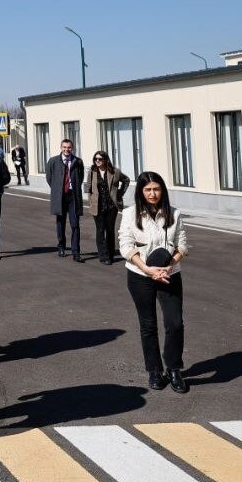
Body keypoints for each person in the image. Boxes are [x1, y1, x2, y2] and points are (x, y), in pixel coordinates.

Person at [119, 171, 190, 393]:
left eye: (156, 189)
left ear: (163, 190)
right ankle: (154, 370)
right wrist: (147, 269)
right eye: (148, 189)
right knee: (148, 325)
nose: (152, 194)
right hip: (141, 275)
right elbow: (126, 246)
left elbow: (182, 245)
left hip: (169, 274)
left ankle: (174, 369)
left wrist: (169, 267)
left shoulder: (174, 214)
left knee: (175, 323)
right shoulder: (130, 214)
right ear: (141, 191)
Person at [86, 150, 130, 265]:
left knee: (110, 230)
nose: (97, 161)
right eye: (96, 159)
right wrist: (91, 200)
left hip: (111, 206)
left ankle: (110, 255)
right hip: (97, 206)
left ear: (105, 160)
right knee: (100, 230)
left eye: (100, 159)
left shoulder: (114, 171)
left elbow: (126, 180)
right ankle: (103, 255)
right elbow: (89, 187)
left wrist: (119, 194)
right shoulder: (92, 172)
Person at [46, 139, 85, 261]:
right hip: (60, 196)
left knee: (75, 224)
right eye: (64, 147)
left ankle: (76, 252)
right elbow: (49, 177)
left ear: (72, 148)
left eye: (69, 147)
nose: (66, 149)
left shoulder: (78, 161)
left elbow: (81, 176)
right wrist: (57, 189)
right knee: (60, 223)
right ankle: (61, 246)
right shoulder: (53, 161)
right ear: (61, 147)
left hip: (73, 196)